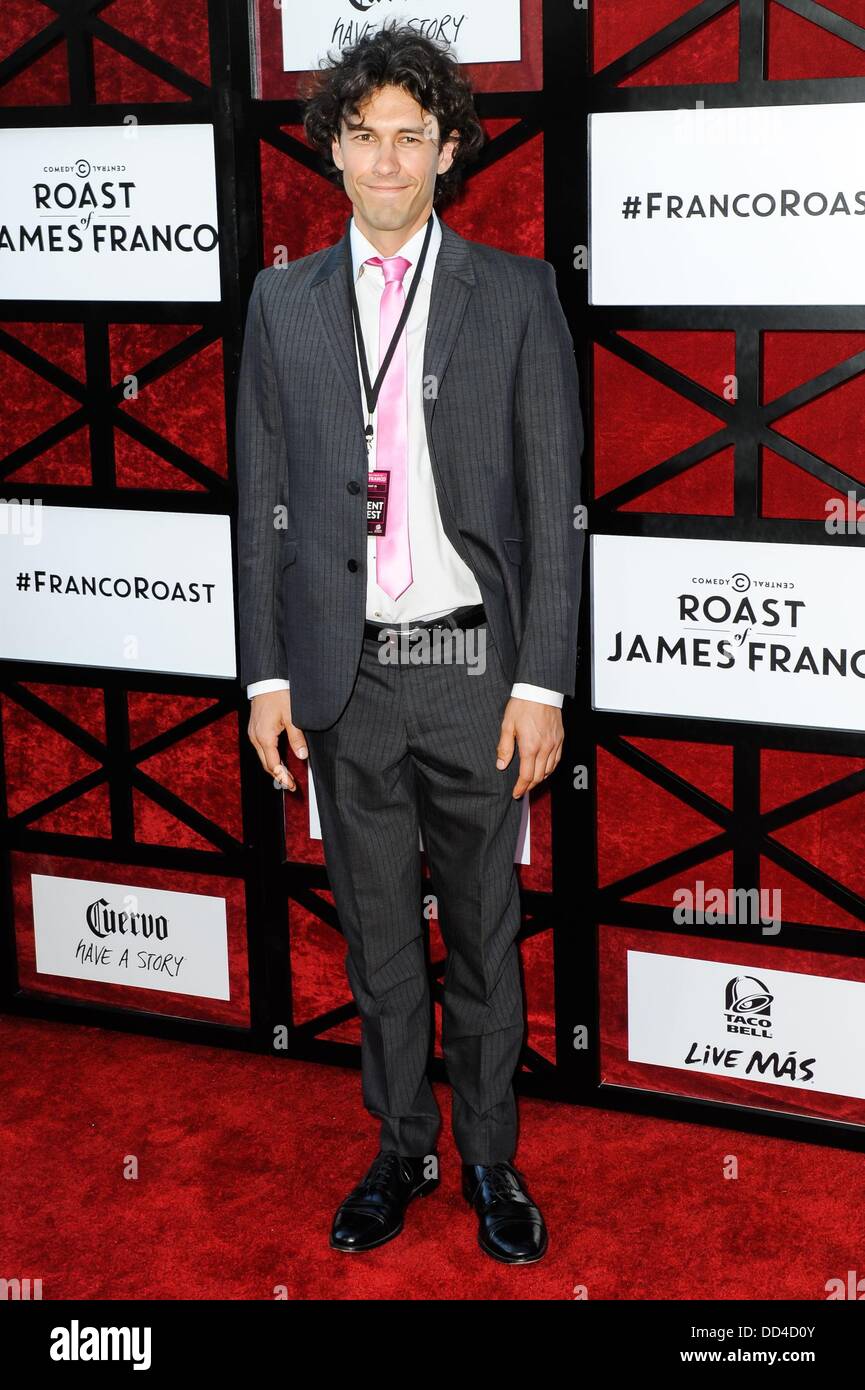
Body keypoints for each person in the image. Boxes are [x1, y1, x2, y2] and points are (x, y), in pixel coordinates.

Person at [235, 22, 584, 1264]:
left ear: (448, 151)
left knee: (484, 932)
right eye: (364, 134)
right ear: (332, 149)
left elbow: (556, 499)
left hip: (475, 671)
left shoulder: (519, 293)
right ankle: (402, 1148)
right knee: (380, 941)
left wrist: (541, 678)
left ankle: (488, 1156)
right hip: (344, 679)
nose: (388, 161)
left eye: (412, 137)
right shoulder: (280, 303)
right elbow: (259, 498)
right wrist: (267, 674)